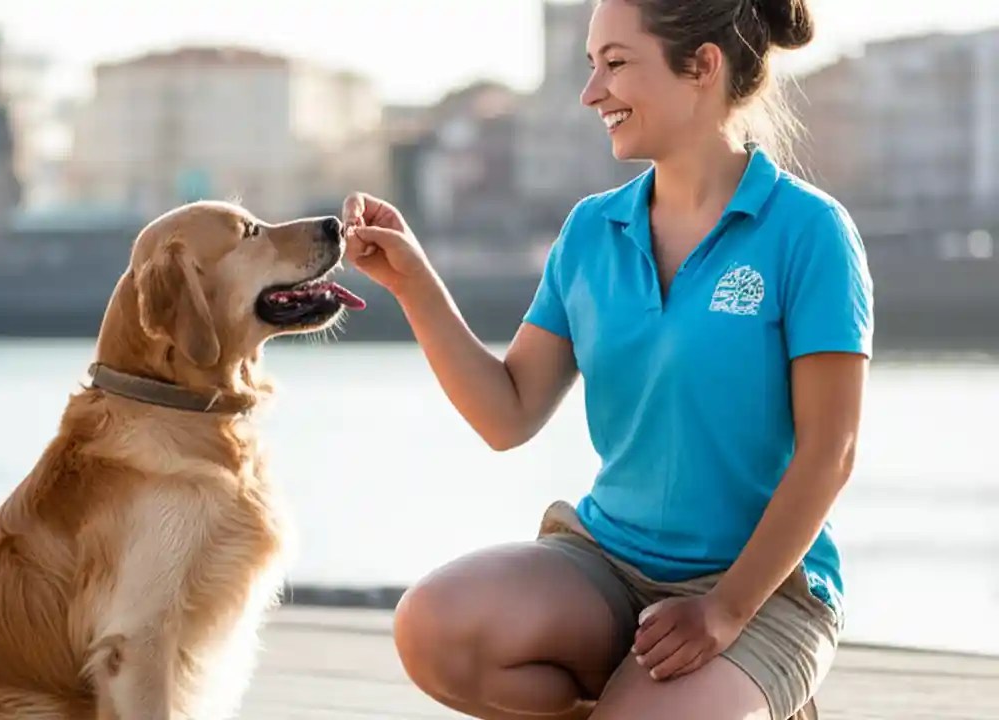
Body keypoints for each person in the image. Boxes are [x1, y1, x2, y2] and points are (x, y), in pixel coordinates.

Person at [339, 0, 873, 719]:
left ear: (703, 66)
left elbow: (829, 454)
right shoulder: (592, 231)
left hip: (765, 591)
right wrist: (413, 284)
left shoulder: (809, 232)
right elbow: (508, 412)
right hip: (608, 567)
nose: (592, 92)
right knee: (433, 627)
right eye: (592, 65)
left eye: (616, 64)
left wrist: (722, 610)